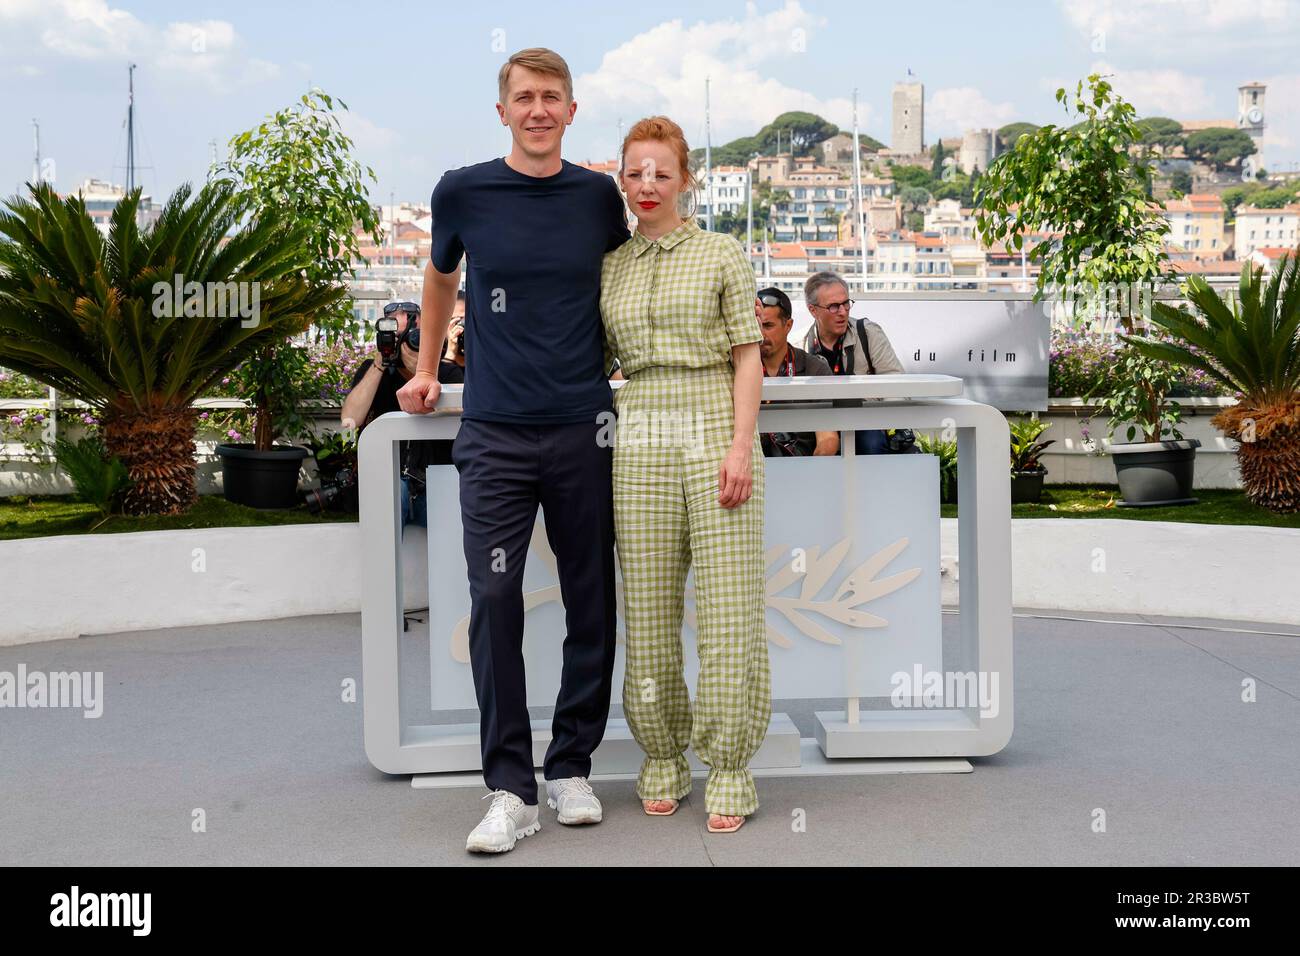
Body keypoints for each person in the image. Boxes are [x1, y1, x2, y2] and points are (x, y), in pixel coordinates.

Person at [396, 48, 630, 854]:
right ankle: (510, 788)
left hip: (583, 426)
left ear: (571, 110)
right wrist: (428, 369)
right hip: (493, 430)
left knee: (589, 597)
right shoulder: (463, 190)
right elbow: (438, 279)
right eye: (524, 97)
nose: (537, 109)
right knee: (493, 602)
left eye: (551, 97)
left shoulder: (599, 197)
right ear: (503, 111)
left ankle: (571, 767)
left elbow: (618, 282)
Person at [601, 116, 770, 834]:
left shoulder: (722, 253)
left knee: (729, 611)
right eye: (635, 173)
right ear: (622, 178)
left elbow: (747, 355)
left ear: (686, 180)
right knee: (646, 613)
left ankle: (729, 767)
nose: (647, 186)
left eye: (661, 173)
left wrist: (739, 446)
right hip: (638, 428)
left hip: (712, 426)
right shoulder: (608, 263)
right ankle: (662, 756)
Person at [340, 301, 461, 528]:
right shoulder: (374, 371)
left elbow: (466, 409)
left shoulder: (446, 372)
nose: (409, 342)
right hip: (390, 480)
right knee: (394, 491)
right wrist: (380, 363)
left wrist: (423, 372)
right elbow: (350, 419)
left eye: (416, 335)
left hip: (437, 481)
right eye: (397, 336)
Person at [800, 271, 909, 455]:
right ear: (813, 310)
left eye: (846, 303)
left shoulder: (868, 333)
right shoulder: (801, 344)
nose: (842, 312)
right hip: (821, 423)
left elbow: (895, 384)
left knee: (871, 441)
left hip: (867, 419)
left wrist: (889, 424)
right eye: (834, 306)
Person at [755, 286, 838, 458]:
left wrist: (809, 475)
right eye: (756, 326)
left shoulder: (815, 369)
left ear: (788, 326)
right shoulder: (738, 368)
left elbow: (828, 439)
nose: (760, 334)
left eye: (768, 326)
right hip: (751, 472)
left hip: (802, 468)